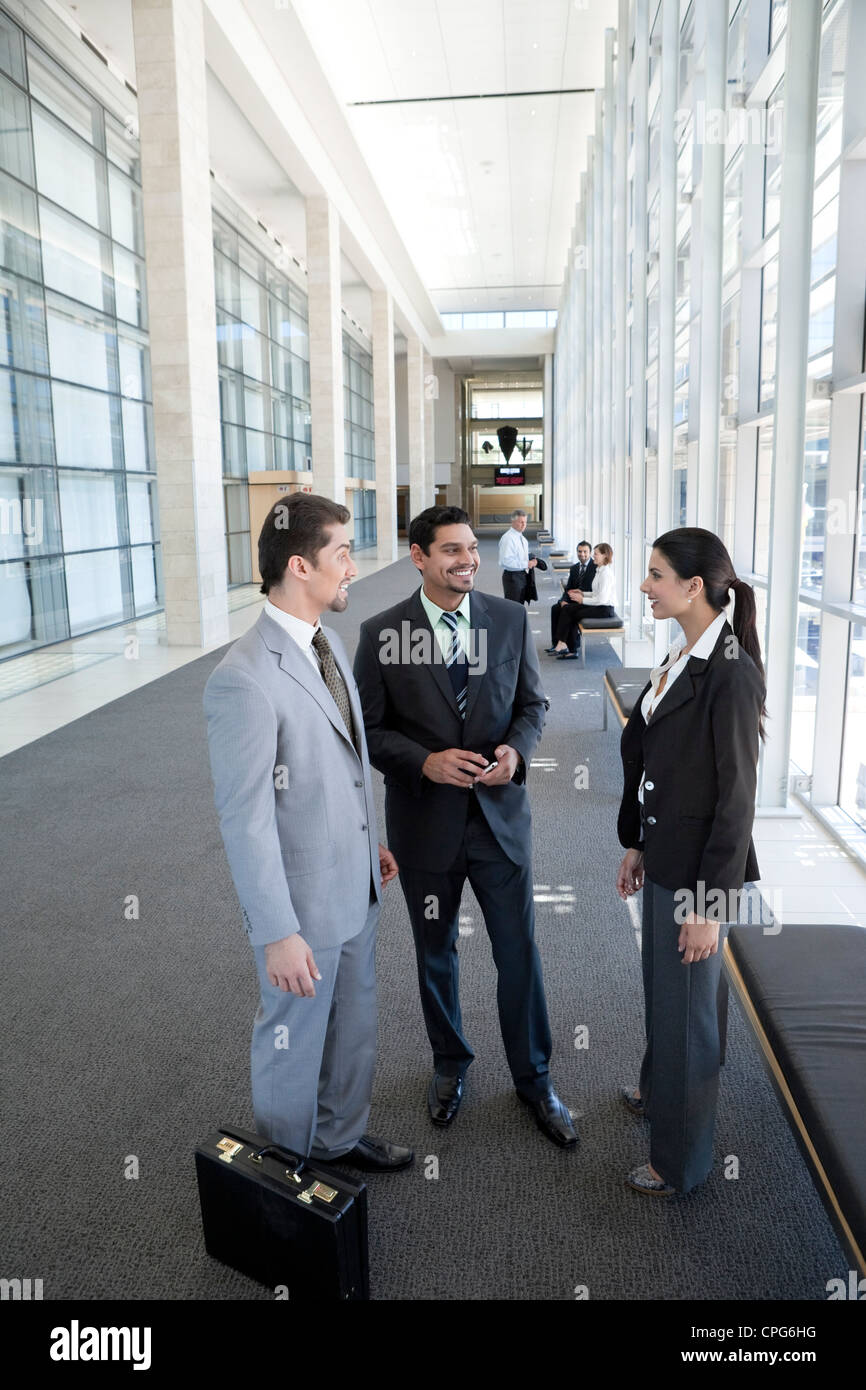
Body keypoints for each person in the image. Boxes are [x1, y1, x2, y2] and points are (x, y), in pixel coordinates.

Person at [354, 505, 577, 1148]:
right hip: (425, 826)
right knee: (436, 954)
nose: (466, 560)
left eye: (469, 550)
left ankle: (535, 1080)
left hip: (500, 824)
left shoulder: (507, 619)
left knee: (519, 955)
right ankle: (450, 1064)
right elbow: (368, 731)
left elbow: (532, 704)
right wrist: (423, 760)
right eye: (450, 550)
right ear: (418, 556)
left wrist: (516, 753)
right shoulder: (381, 632)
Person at [203, 494, 413, 1173]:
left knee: (353, 1031)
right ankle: (288, 1173)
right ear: (300, 565)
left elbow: (345, 766)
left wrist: (368, 841)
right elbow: (246, 817)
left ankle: (339, 1139)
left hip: (352, 884)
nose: (353, 567)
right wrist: (276, 932)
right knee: (293, 1039)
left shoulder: (328, 641)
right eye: (343, 554)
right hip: (300, 911)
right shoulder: (242, 679)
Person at [614, 527, 766, 1196]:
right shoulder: (687, 651)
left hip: (699, 876)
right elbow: (665, 763)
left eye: (654, 574)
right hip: (668, 857)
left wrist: (710, 907)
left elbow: (736, 802)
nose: (644, 585)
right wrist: (639, 841)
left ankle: (679, 1163)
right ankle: (657, 1093)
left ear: (693, 586)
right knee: (665, 996)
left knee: (690, 1020)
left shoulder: (729, 670)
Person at [546, 542, 616, 659]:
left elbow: (601, 599)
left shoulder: (606, 574)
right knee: (568, 609)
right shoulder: (600, 571)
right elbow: (595, 593)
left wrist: (582, 599)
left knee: (570, 611)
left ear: (604, 556)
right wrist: (582, 593)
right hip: (598, 605)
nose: (594, 556)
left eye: (596, 554)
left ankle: (564, 644)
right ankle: (566, 646)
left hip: (604, 609)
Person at [548, 540, 595, 648]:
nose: (582, 554)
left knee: (569, 610)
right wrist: (563, 600)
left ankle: (571, 644)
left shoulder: (596, 568)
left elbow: (594, 591)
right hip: (573, 599)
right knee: (555, 608)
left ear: (590, 553)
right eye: (579, 551)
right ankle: (556, 643)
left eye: (585, 551)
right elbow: (568, 588)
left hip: (587, 601)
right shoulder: (574, 568)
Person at [498, 508, 537, 604]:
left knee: (520, 605)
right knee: (513, 607)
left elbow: (520, 555)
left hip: (522, 576)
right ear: (513, 522)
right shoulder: (508, 538)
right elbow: (506, 561)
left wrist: (531, 560)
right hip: (512, 577)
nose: (524, 525)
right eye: (521, 522)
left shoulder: (522, 538)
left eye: (525, 522)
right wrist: (527, 564)